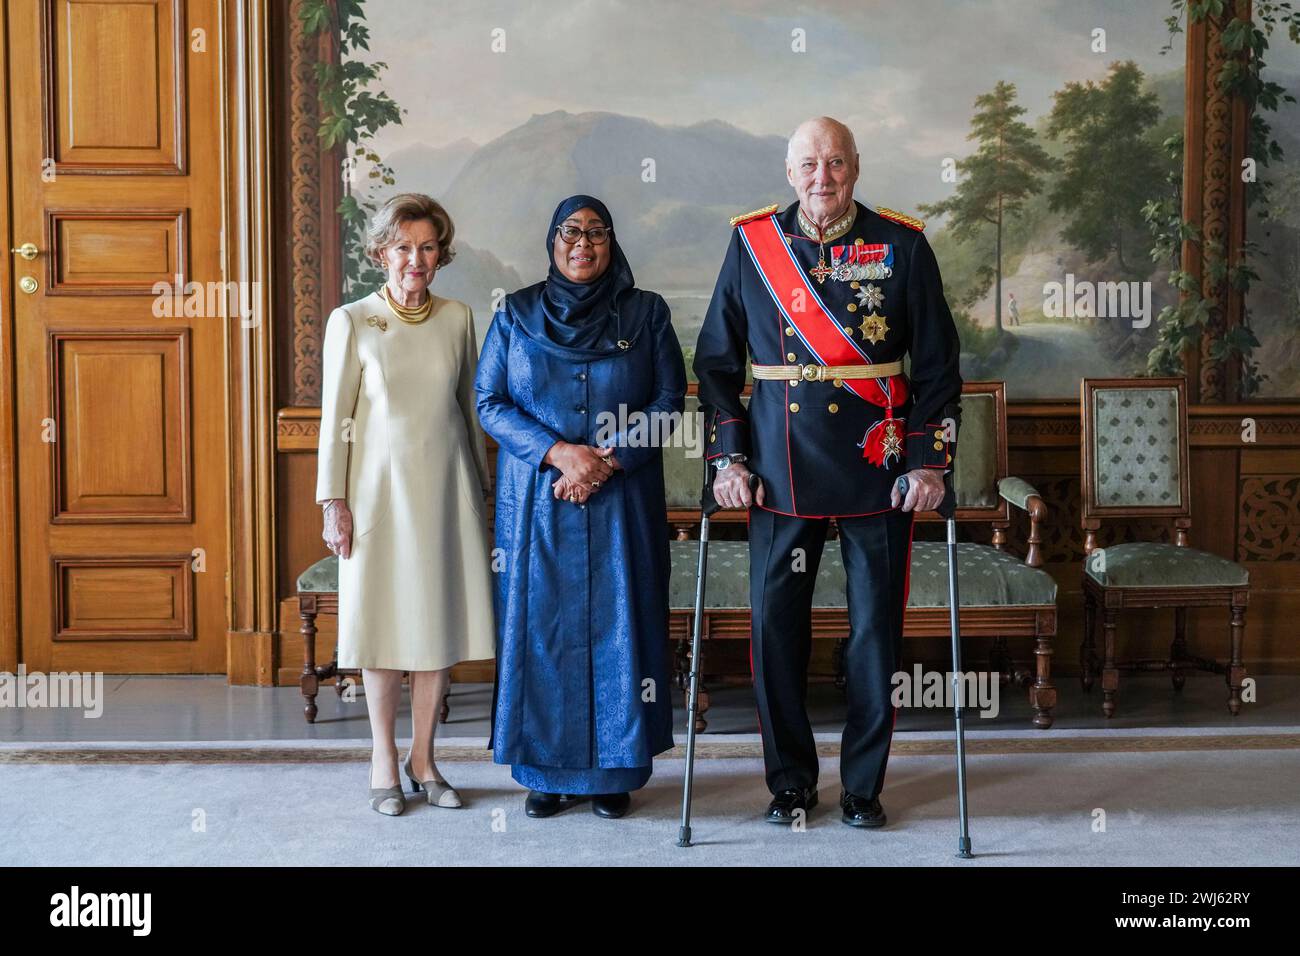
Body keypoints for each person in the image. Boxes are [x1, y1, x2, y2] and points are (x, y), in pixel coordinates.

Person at [694, 117, 962, 828]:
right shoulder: (753, 243)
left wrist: (930, 460)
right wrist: (727, 458)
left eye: (836, 163)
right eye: (810, 164)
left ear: (856, 168)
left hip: (880, 465)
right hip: (779, 469)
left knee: (876, 633)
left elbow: (936, 366)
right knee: (775, 630)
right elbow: (717, 363)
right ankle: (789, 784)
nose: (823, 177)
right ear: (790, 172)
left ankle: (864, 787)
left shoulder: (903, 243)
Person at [476, 195, 686, 820]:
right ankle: (543, 772)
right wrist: (560, 454)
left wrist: (609, 460)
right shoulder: (514, 313)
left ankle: (612, 773)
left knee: (620, 622)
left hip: (622, 499)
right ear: (552, 239)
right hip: (538, 498)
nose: (583, 243)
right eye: (571, 231)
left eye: (597, 232)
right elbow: (489, 400)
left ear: (612, 242)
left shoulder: (646, 313)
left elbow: (670, 398)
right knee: (540, 627)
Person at [317, 193, 495, 816]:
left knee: (435, 625)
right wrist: (331, 502)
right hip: (375, 497)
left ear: (440, 255)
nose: (414, 259)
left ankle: (425, 758)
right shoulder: (353, 320)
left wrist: (483, 492)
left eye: (426, 247)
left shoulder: (458, 318)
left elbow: (471, 415)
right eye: (402, 247)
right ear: (380, 253)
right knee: (384, 626)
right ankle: (383, 759)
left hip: (446, 494)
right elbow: (334, 420)